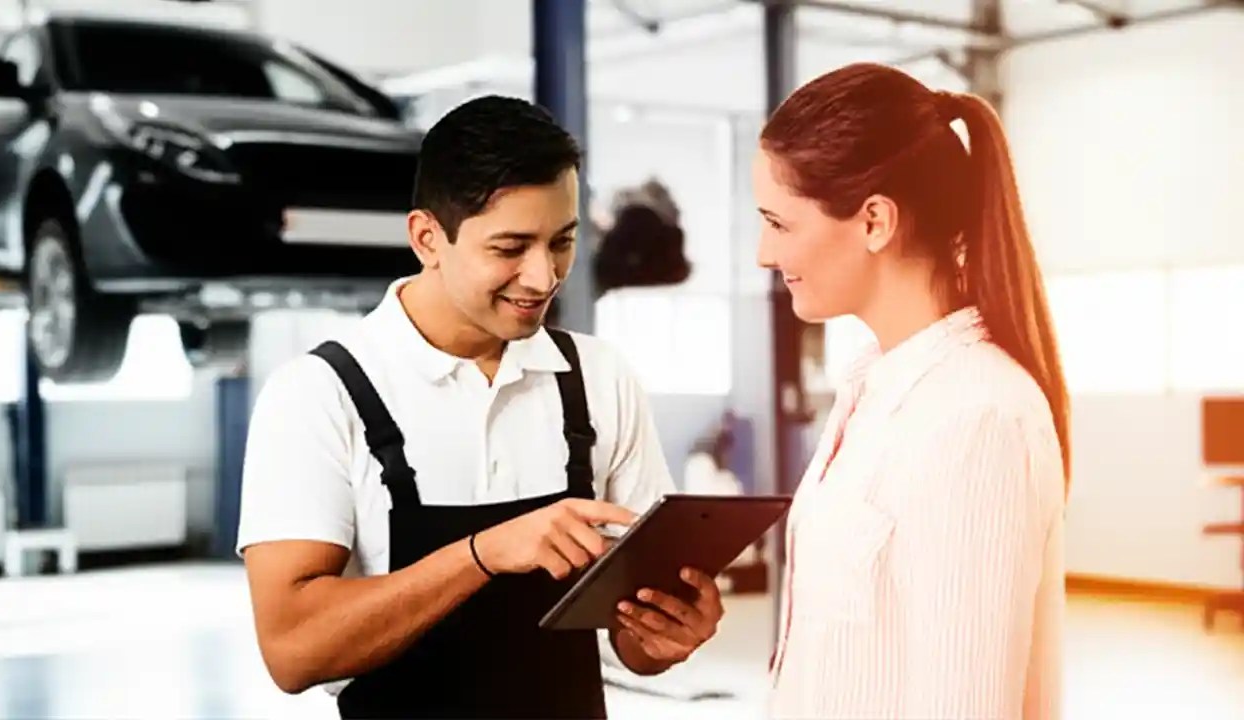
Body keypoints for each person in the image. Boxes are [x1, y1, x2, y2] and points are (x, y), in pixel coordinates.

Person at [236, 95, 723, 720]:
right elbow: (292, 650)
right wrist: (484, 554)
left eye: (562, 242)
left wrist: (668, 633)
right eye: (510, 247)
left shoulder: (598, 379)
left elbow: (634, 642)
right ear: (427, 238)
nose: (543, 276)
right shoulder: (318, 394)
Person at [754, 63, 1069, 719]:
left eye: (778, 224)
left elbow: (966, 703)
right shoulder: (873, 388)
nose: (763, 252)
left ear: (874, 221)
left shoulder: (977, 417)